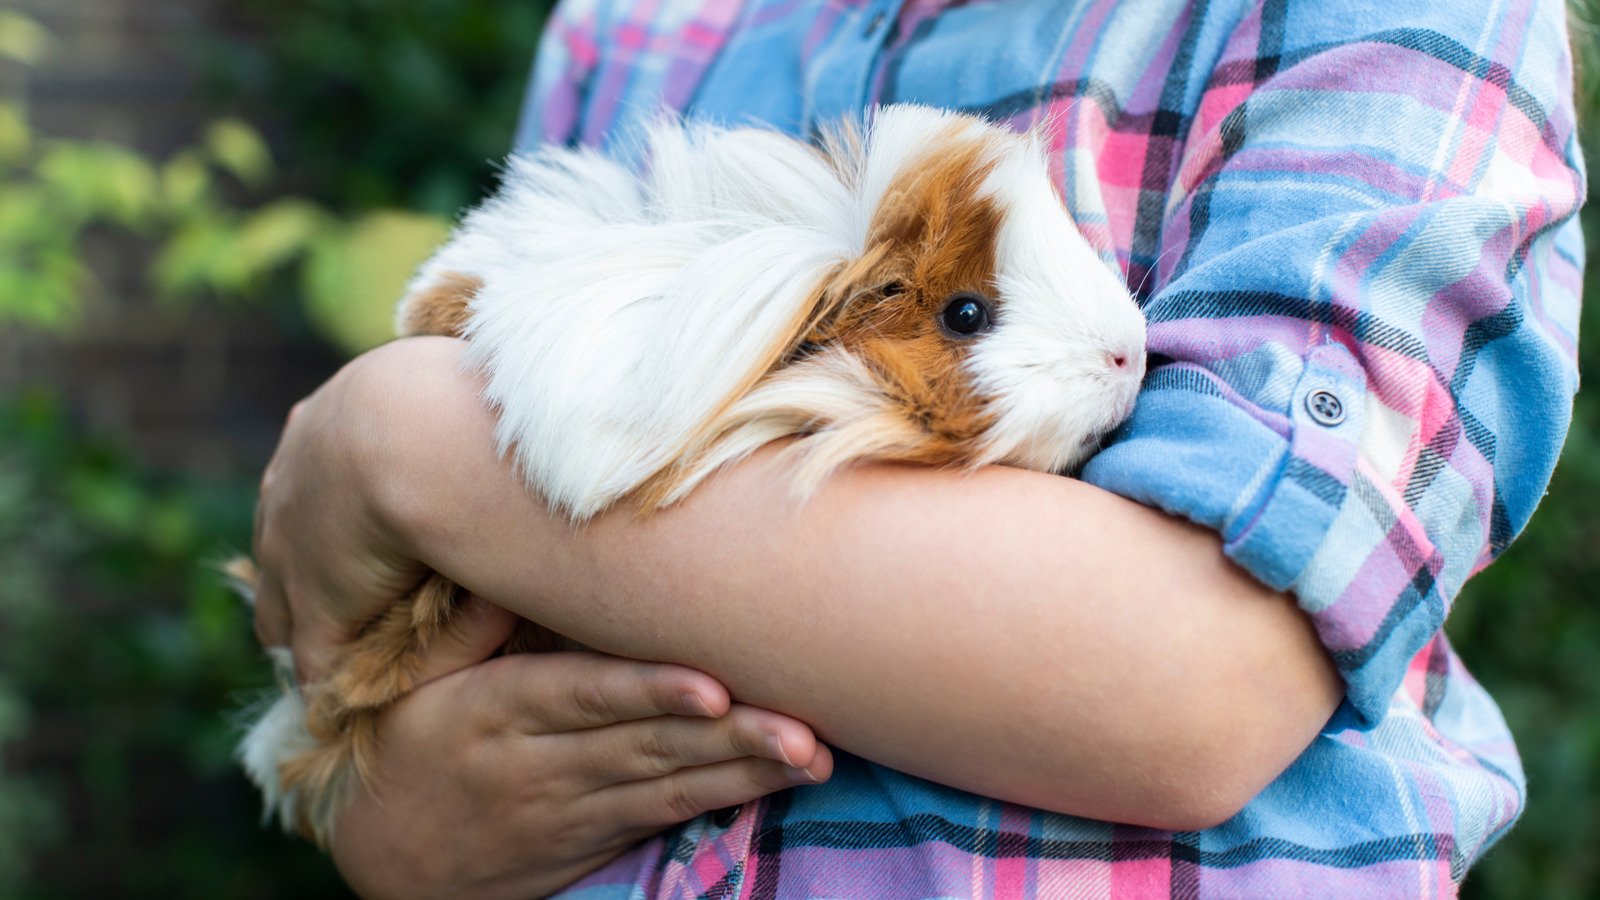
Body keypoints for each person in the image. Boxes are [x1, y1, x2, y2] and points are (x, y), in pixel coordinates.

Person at [250, 0, 1584, 896]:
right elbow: (391, 685)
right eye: (962, 318)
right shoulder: (636, 27)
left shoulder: (1386, 25)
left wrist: (416, 436)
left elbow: (1198, 675)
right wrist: (387, 816)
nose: (1125, 346)